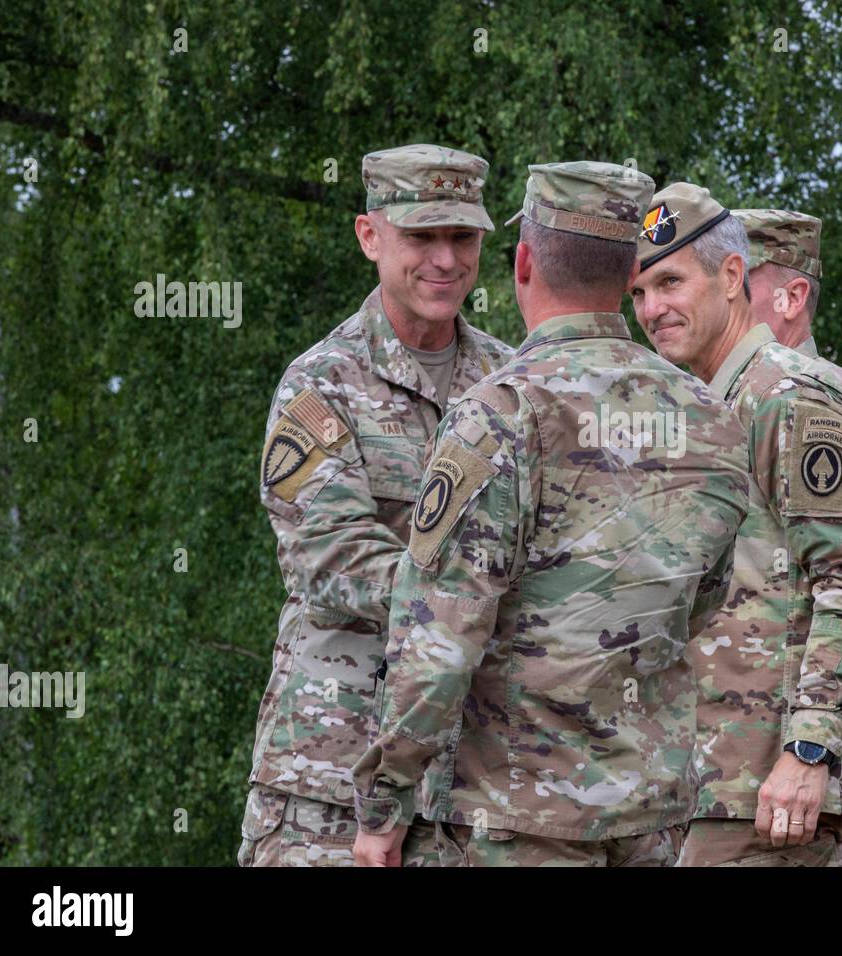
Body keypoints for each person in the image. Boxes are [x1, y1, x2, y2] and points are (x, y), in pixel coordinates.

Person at [349, 160, 750, 867]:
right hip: (650, 813)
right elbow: (704, 598)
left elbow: (440, 635)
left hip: (522, 817)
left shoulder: (499, 413)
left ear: (524, 262)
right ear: (631, 272)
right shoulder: (711, 417)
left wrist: (384, 802)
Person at [238, 144, 513, 866]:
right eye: (422, 237)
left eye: (463, 238)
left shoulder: (514, 384)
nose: (446, 260)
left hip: (478, 783)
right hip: (330, 777)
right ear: (371, 237)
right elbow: (329, 559)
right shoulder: (320, 386)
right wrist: (472, 597)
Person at [632, 183, 842, 866]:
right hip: (715, 789)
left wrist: (808, 747)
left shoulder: (784, 397)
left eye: (669, 282)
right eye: (638, 292)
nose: (651, 309)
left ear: (732, 278)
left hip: (769, 793)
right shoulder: (716, 404)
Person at [735, 206, 842, 866]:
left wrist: (809, 746)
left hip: (799, 778)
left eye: (738, 279)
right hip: (743, 777)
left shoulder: (808, 400)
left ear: (791, 294)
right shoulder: (740, 397)